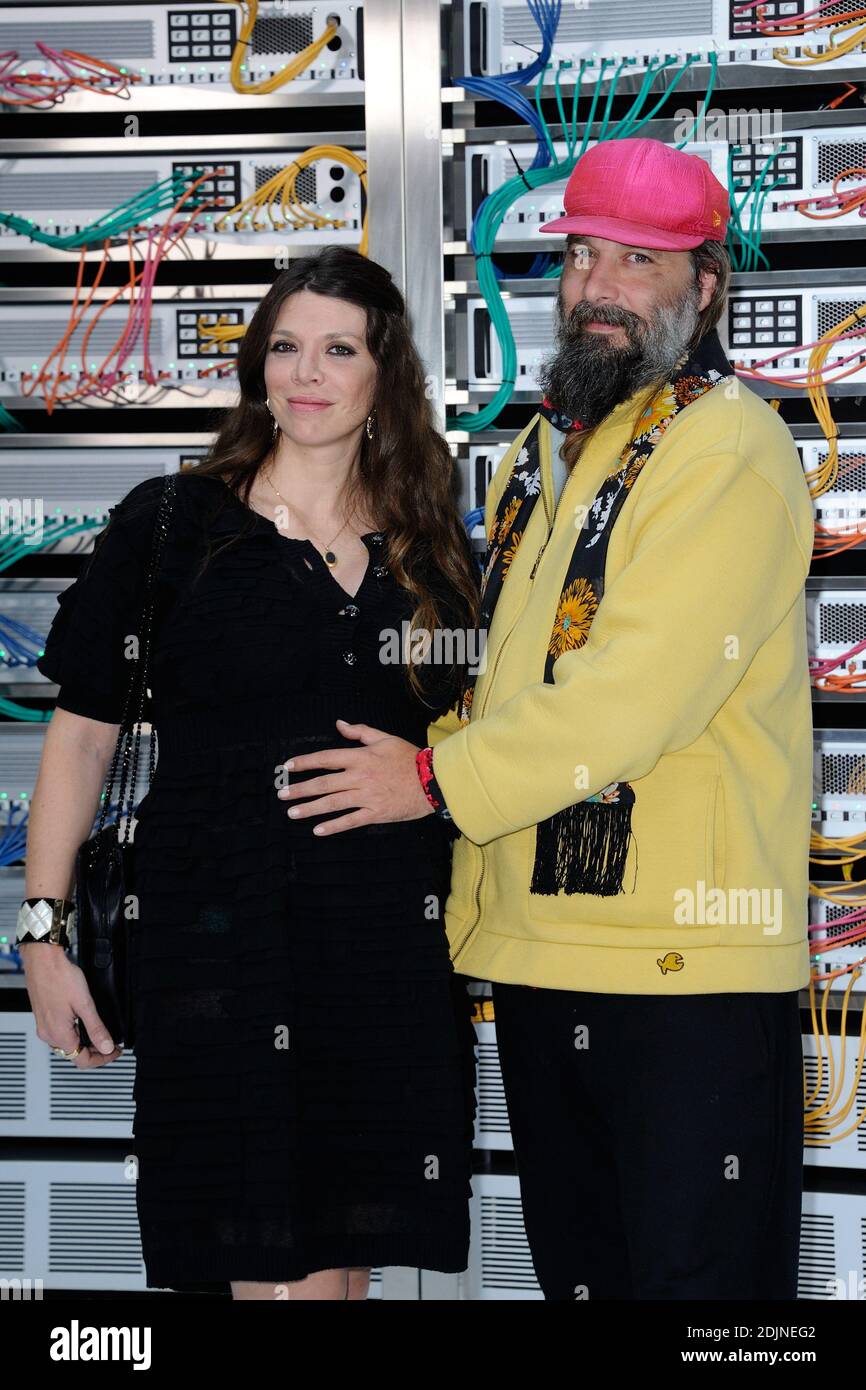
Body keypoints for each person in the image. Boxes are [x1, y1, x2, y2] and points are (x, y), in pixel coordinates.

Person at [281, 139, 816, 1300]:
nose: (597, 287)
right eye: (580, 255)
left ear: (705, 289)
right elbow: (502, 671)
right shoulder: (553, 446)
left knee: (700, 1297)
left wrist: (426, 782)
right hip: (544, 953)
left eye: (638, 261)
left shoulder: (723, 443)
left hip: (684, 977)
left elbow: (631, 695)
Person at [20, 246, 480, 1300]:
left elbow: (479, 729)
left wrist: (429, 772)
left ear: (384, 377)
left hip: (380, 950)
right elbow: (83, 733)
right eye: (284, 347)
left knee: (341, 1258)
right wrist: (43, 938)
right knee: (246, 1251)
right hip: (217, 945)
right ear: (255, 366)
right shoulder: (173, 524)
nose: (304, 373)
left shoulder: (429, 551)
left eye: (336, 349)